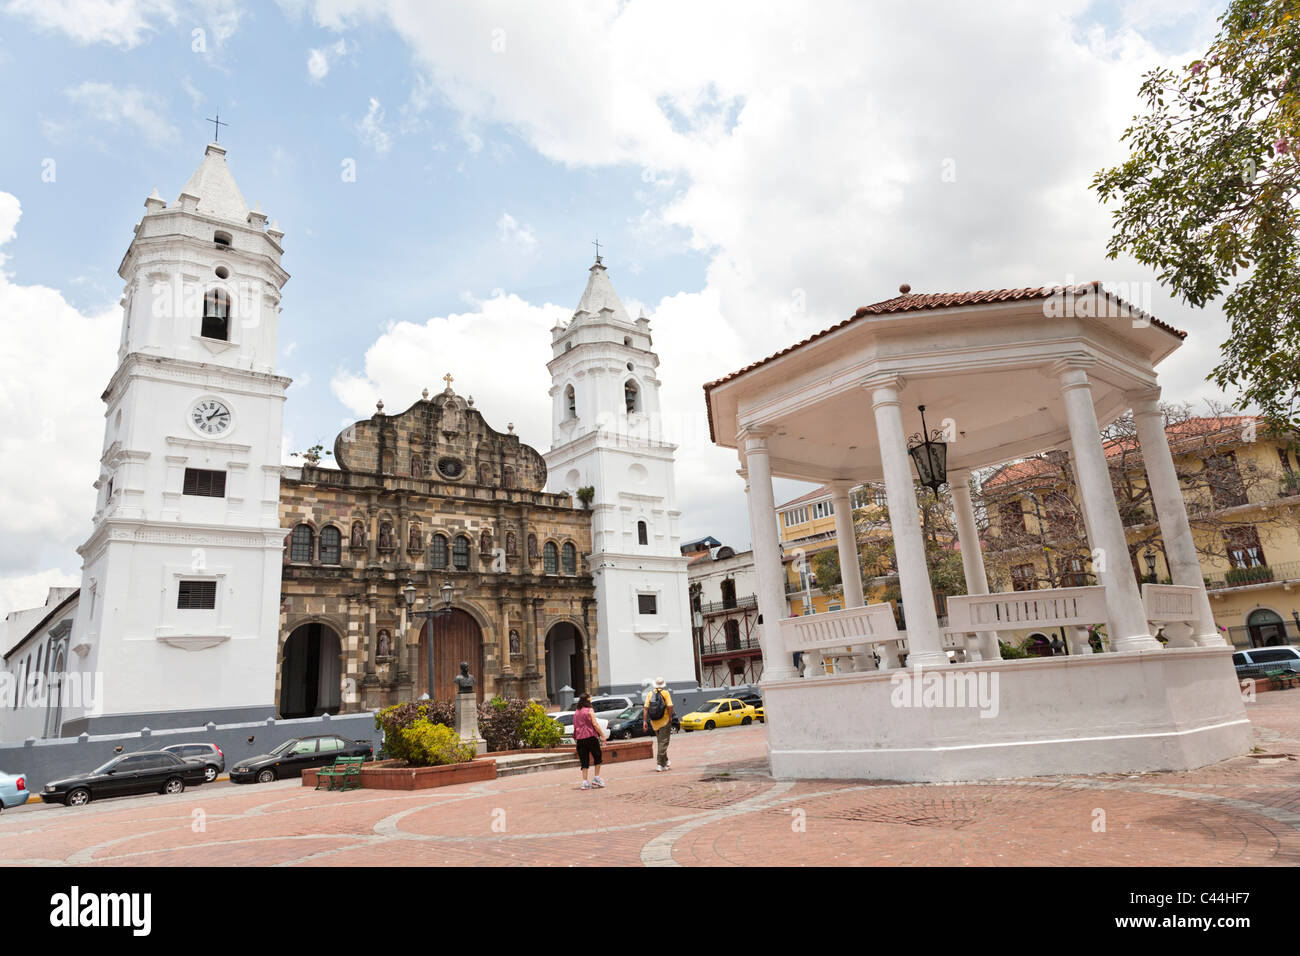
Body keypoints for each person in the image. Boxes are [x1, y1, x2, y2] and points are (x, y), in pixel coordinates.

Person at [572, 693, 607, 790]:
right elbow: (595, 724)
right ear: (588, 700)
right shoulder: (589, 710)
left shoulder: (576, 712)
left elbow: (575, 726)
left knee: (584, 760)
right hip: (590, 736)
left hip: (580, 738)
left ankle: (584, 782)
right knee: (597, 756)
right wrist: (602, 735)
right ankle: (596, 778)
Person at [642, 677, 674, 771]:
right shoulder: (665, 693)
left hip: (654, 722)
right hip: (664, 721)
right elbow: (670, 706)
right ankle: (659, 764)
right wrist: (670, 717)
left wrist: (644, 721)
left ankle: (665, 763)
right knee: (663, 743)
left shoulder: (650, 694)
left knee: (661, 743)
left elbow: (645, 708)